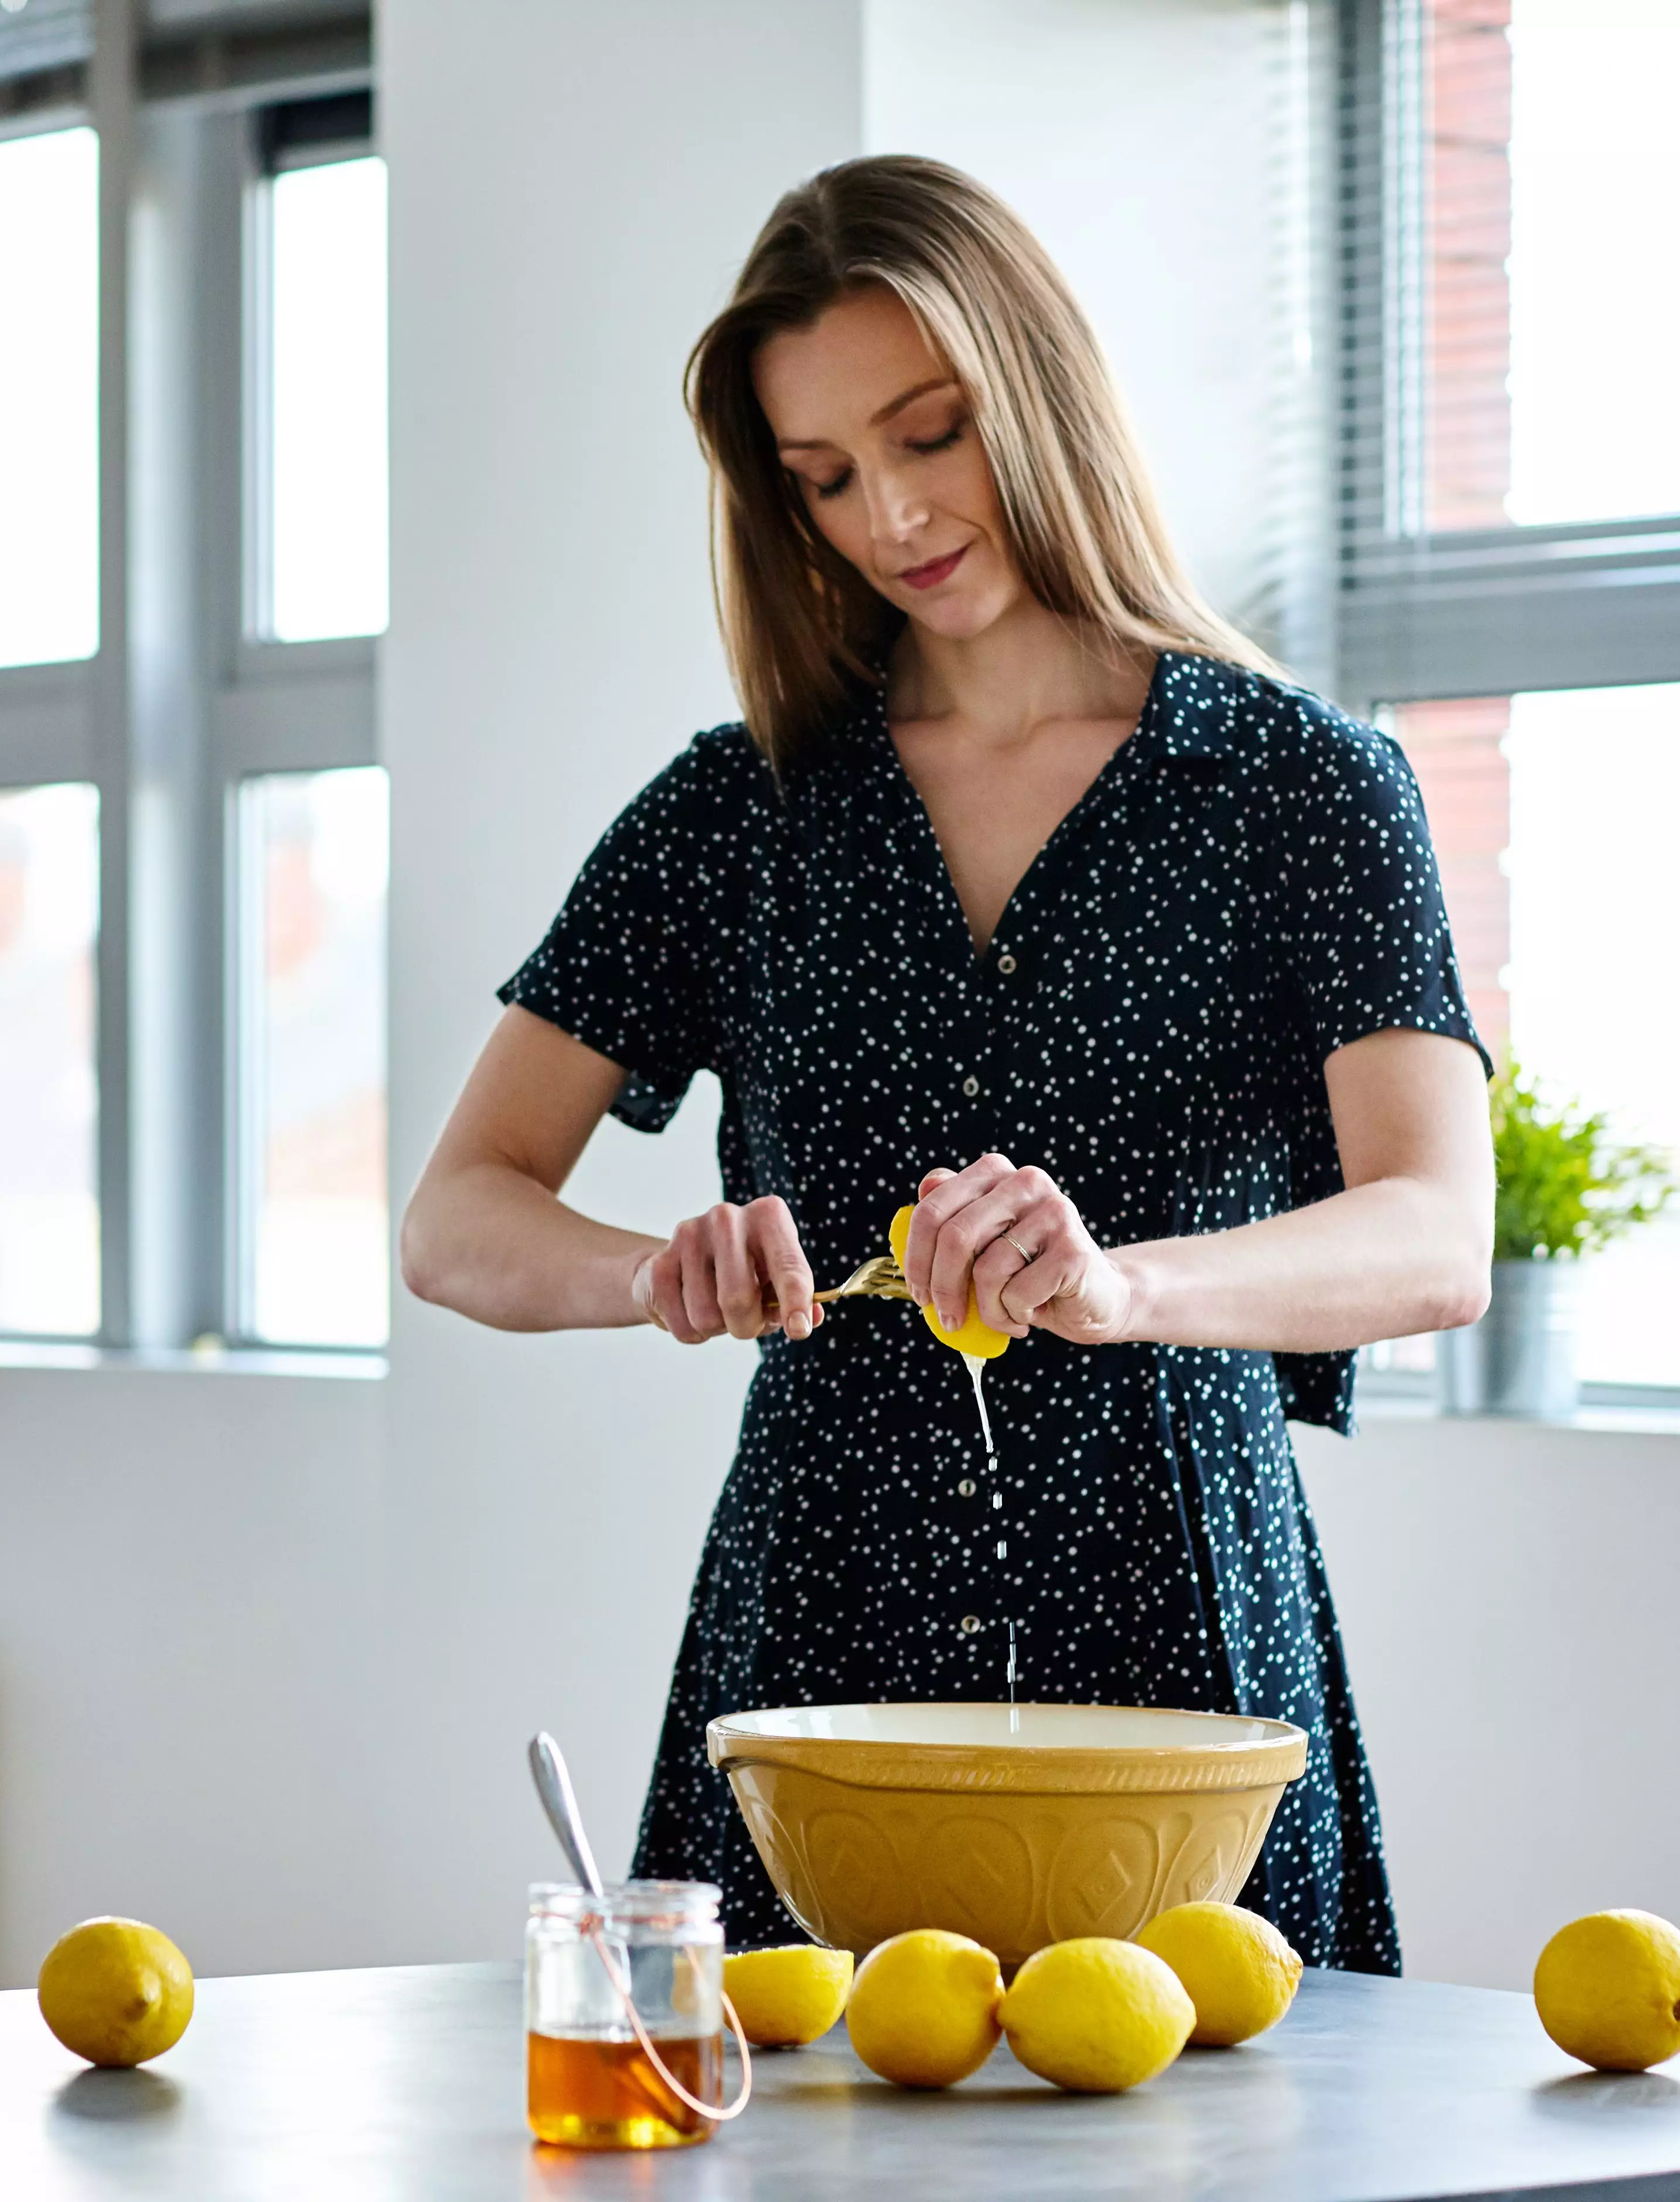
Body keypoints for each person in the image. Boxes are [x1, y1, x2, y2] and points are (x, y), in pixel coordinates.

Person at [398, 156, 1492, 1971]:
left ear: (1037, 391)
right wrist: (651, 1274)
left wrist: (1121, 1284)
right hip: (817, 1640)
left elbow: (1435, 1237)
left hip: (1183, 1638)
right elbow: (456, 1219)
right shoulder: (733, 812)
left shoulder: (1303, 785)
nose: (891, 512)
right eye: (824, 477)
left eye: (929, 433)